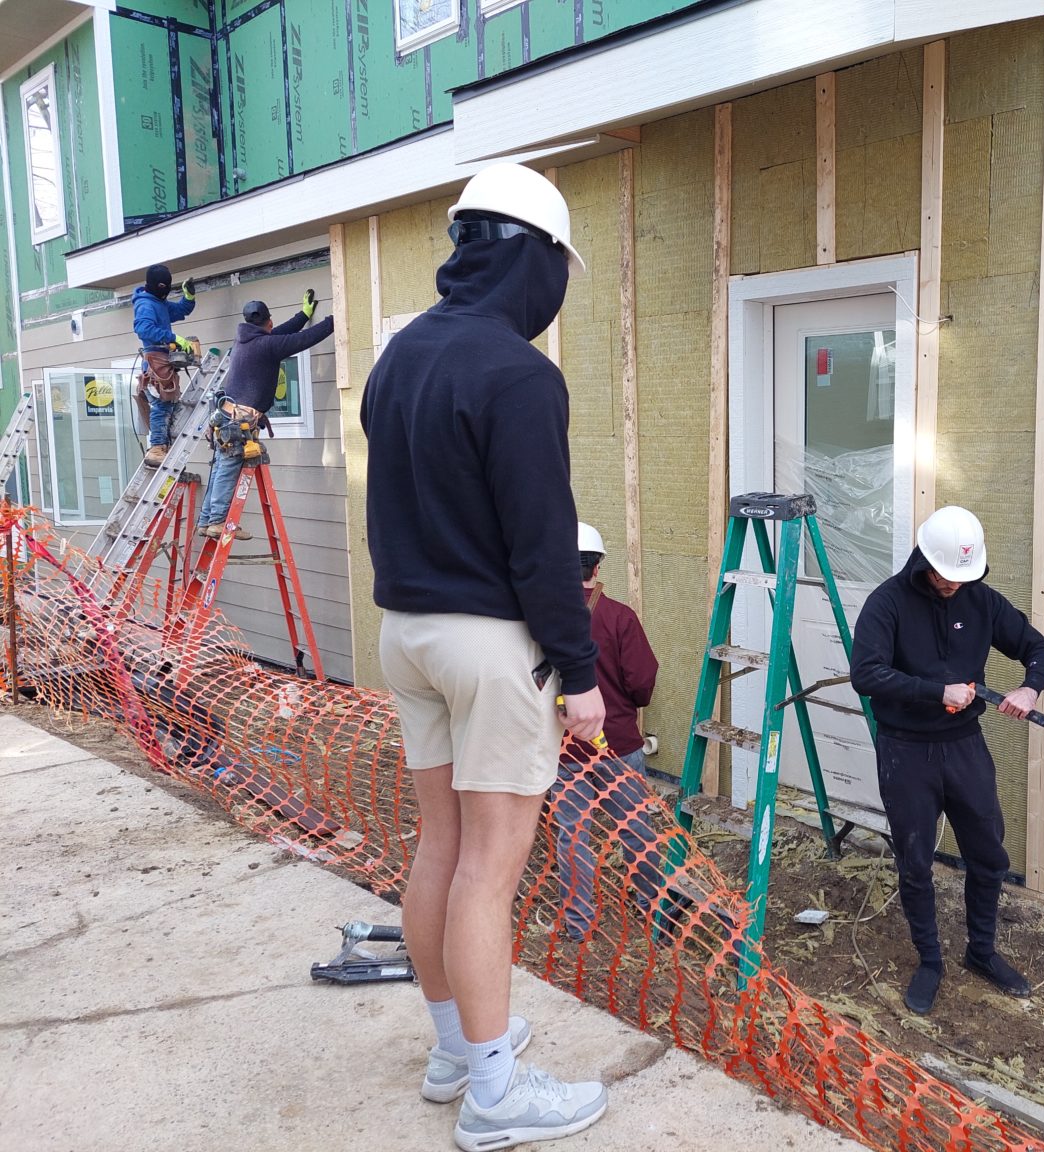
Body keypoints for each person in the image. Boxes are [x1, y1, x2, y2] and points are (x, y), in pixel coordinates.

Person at [360, 162, 609, 1151]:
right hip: (486, 644)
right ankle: (497, 1093)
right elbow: (544, 550)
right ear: (531, 258)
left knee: (440, 845)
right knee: (489, 870)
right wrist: (582, 679)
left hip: (405, 633)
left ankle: (456, 1050)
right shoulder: (518, 372)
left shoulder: (401, 355)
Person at [850, 505, 1044, 1016]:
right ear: (923, 558)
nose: (952, 585)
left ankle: (981, 952)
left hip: (965, 746)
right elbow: (866, 674)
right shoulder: (887, 604)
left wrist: (1030, 689)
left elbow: (1040, 647)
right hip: (905, 750)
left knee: (988, 854)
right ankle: (930, 961)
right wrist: (933, 690)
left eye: (963, 577)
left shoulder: (981, 600)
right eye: (946, 575)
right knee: (915, 861)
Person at [548, 522, 665, 939]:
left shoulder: (541, 619)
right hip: (618, 745)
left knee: (572, 835)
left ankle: (578, 924)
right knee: (636, 828)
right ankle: (654, 910)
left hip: (563, 749)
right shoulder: (619, 617)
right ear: (596, 567)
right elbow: (641, 681)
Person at [197, 293, 334, 541]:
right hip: (237, 422)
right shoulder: (266, 345)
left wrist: (303, 315)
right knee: (227, 469)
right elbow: (300, 340)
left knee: (219, 468)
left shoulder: (245, 341)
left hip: (225, 417)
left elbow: (281, 334)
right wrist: (333, 321)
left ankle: (207, 520)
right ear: (267, 322)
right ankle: (217, 521)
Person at [132, 264, 197, 467]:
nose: (165, 291)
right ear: (152, 285)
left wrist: (189, 297)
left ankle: (164, 445)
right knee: (161, 404)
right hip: (154, 361)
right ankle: (157, 448)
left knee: (168, 403)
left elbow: (180, 310)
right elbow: (143, 329)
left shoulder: (160, 302)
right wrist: (173, 337)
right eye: (162, 287)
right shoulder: (146, 304)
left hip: (163, 361)